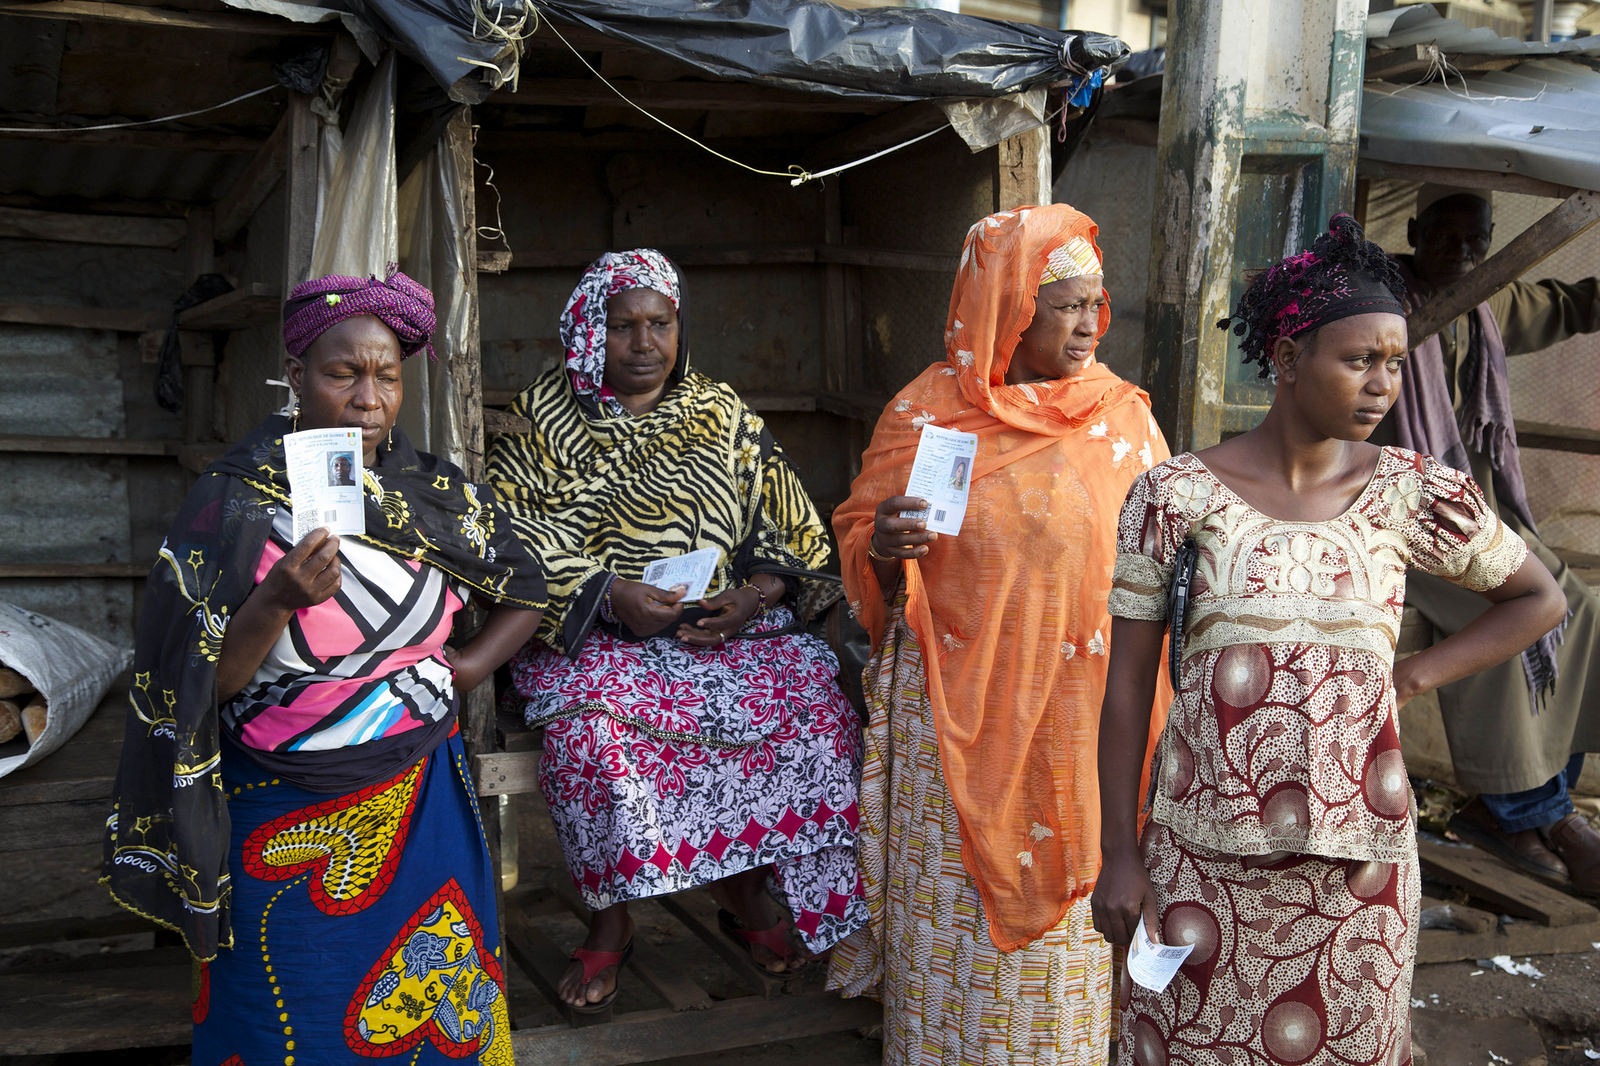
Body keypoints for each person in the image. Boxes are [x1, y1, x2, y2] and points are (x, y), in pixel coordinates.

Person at [1093, 216, 1567, 1065]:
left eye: (1393, 361)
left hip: (1361, 872)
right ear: (1285, 358)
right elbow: (1127, 685)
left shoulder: (1413, 493)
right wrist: (1118, 856)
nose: (1383, 383)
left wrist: (1415, 676)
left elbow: (1536, 598)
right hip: (1203, 858)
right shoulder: (1175, 497)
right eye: (1359, 361)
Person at [102, 268, 548, 1064]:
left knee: (433, 1002)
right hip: (278, 803)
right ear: (298, 377)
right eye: (343, 373)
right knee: (288, 1010)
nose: (367, 397)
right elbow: (202, 685)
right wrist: (275, 599)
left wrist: (467, 669)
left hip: (420, 799)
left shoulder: (436, 495)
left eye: (386, 376)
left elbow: (530, 586)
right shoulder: (235, 502)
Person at [826, 203, 1172, 1066]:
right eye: (1065, 304)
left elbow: (1167, 561)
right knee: (954, 928)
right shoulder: (927, 413)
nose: (1089, 323)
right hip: (955, 719)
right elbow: (862, 538)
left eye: (1097, 303)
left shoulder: (1122, 421)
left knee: (1068, 951)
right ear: (1008, 306)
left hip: (1083, 720)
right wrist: (883, 551)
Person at [485, 249, 865, 1012]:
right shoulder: (540, 421)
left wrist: (756, 596)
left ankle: (748, 890)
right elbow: (505, 541)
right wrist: (608, 592)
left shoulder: (721, 415)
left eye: (659, 323)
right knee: (595, 732)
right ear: (590, 331)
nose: (643, 342)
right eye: (622, 326)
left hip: (718, 637)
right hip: (592, 639)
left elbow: (795, 533)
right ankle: (613, 917)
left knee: (817, 708)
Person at [1379, 185, 1600, 894]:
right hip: (1400, 522)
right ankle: (1526, 813)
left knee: (1577, 607)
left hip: (1478, 516)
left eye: (1477, 241)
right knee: (1509, 619)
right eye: (1444, 236)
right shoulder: (1378, 300)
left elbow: (1567, 304)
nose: (1462, 253)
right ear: (1412, 232)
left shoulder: (1486, 303)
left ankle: (1544, 801)